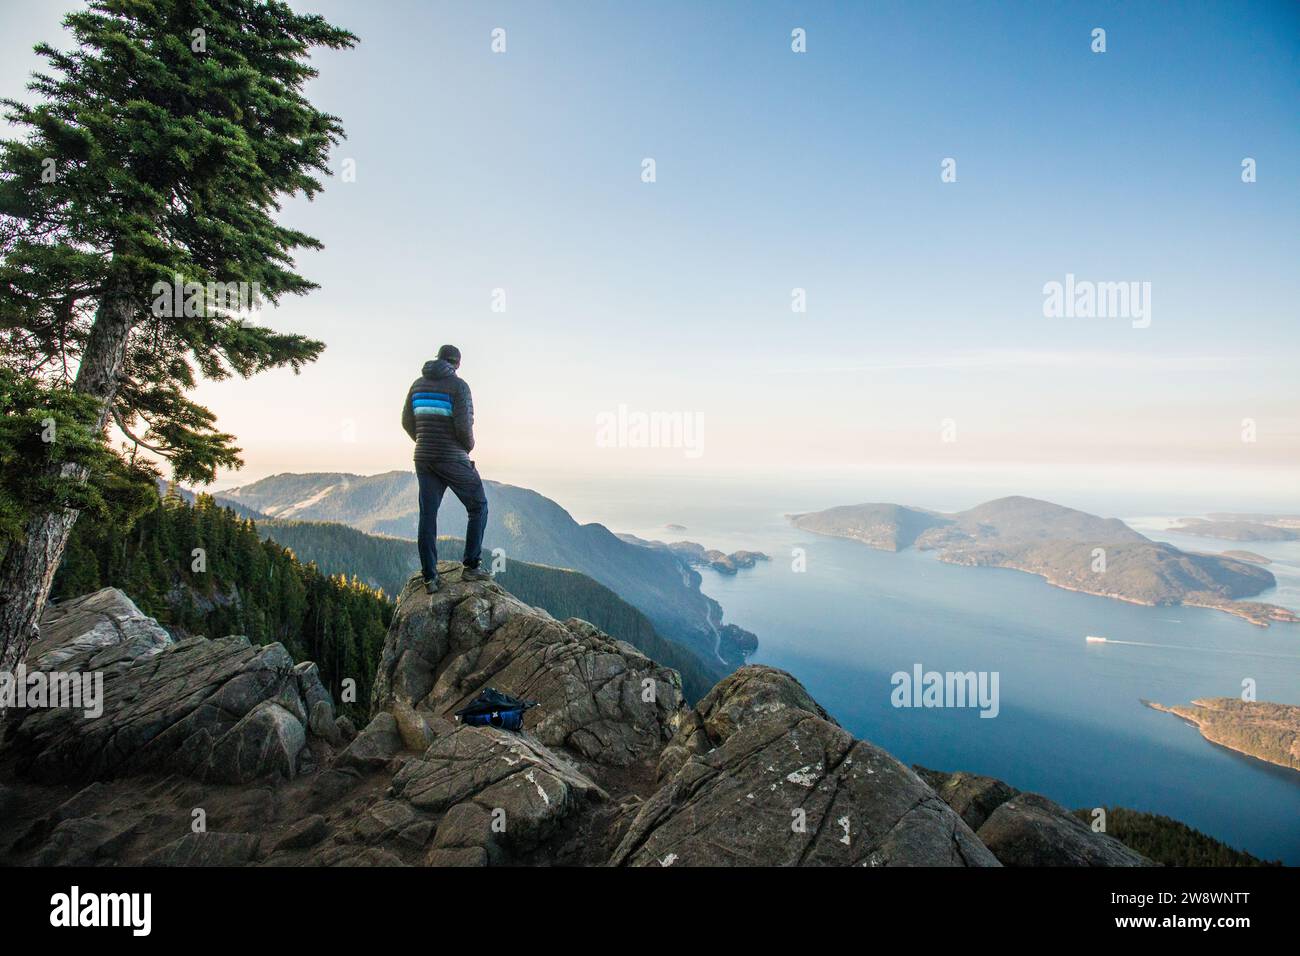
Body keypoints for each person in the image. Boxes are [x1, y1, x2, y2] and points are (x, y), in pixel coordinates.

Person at [401, 344, 491, 593]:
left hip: (423, 458)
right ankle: (471, 567)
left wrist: (424, 441)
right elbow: (464, 426)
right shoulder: (458, 386)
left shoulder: (417, 384)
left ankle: (430, 577)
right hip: (451, 456)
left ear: (438, 358)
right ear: (457, 363)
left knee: (427, 516)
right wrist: (467, 447)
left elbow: (406, 421)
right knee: (478, 506)